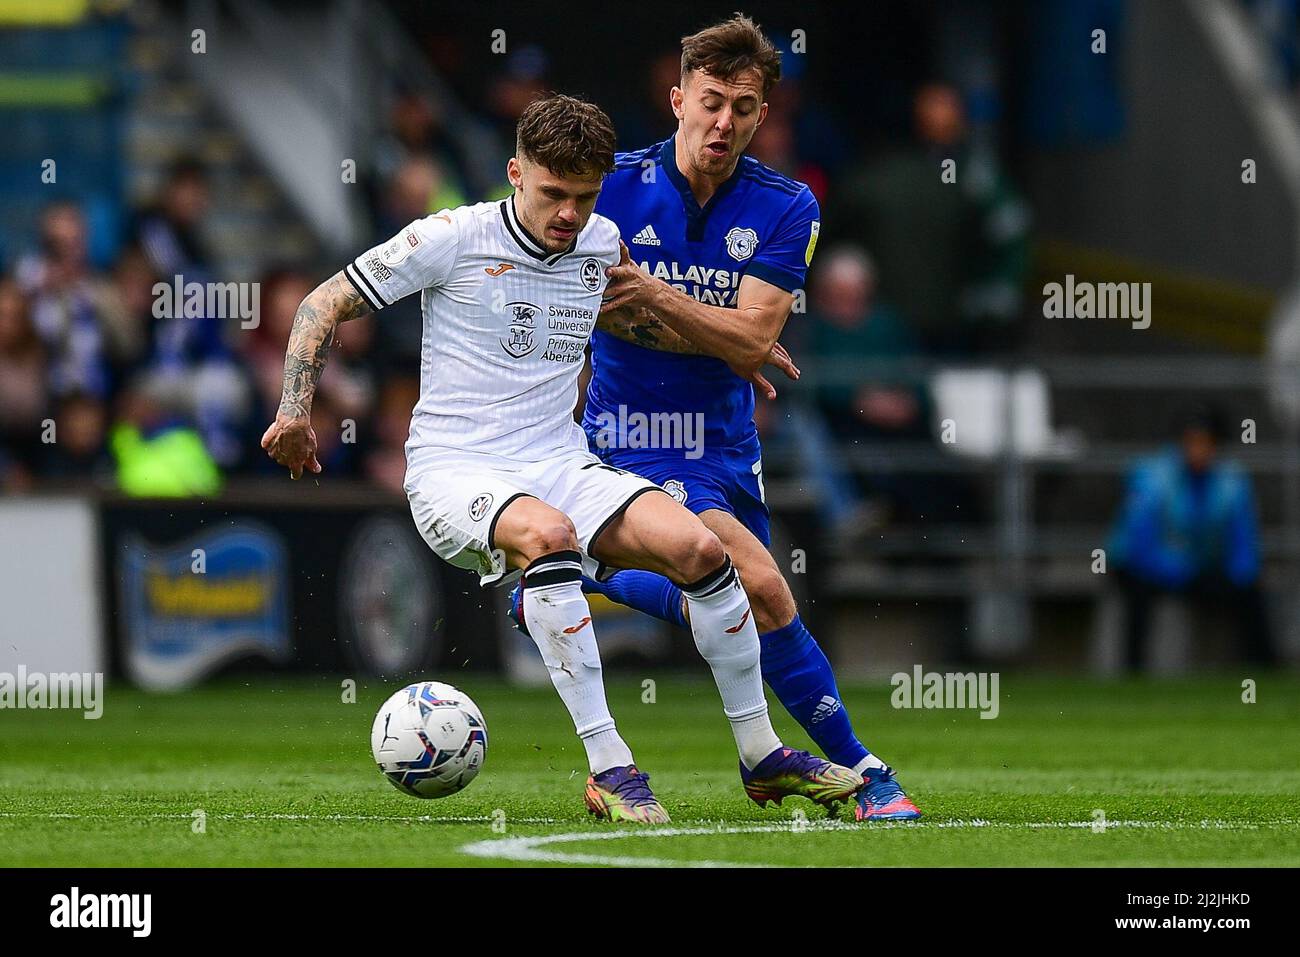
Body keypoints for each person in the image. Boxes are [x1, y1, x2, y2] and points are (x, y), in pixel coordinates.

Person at [260, 94, 861, 824]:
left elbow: (639, 319)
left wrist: (731, 349)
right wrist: (294, 409)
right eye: (553, 194)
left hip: (558, 461)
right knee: (548, 537)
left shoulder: (603, 243)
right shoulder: (452, 237)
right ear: (515, 173)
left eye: (584, 196)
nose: (570, 214)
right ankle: (611, 766)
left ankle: (761, 754)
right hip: (456, 470)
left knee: (703, 549)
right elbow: (322, 303)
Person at [524, 14, 920, 820]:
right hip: (625, 439)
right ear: (677, 99)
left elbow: (752, 341)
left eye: (743, 106)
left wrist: (656, 301)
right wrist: (712, 330)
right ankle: (863, 772)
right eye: (710, 101)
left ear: (763, 114)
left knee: (741, 596)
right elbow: (569, 295)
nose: (724, 121)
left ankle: (594, 568)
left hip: (728, 450)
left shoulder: (788, 206)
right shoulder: (615, 185)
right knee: (767, 590)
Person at [1108, 406, 1275, 670]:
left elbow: (1244, 543)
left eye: (1205, 443)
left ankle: (1263, 669)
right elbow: (1139, 546)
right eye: (1192, 442)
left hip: (1199, 567)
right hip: (1147, 567)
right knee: (1137, 590)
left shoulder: (1232, 481)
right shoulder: (1152, 476)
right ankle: (1133, 670)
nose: (1198, 450)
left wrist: (1240, 576)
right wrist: (1179, 569)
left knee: (1250, 592)